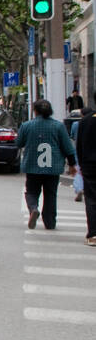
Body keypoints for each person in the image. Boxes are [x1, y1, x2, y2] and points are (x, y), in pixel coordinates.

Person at [17, 99, 77, 231]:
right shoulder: (58, 126)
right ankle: (49, 222)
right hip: (53, 167)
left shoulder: (27, 125)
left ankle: (33, 208)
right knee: (50, 194)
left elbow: (19, 143)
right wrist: (72, 165)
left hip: (32, 166)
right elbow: (68, 148)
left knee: (31, 192)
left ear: (35, 111)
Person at [75, 100, 96, 245]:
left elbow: (79, 145)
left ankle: (93, 235)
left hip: (90, 165)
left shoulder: (85, 121)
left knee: (92, 199)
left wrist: (81, 165)